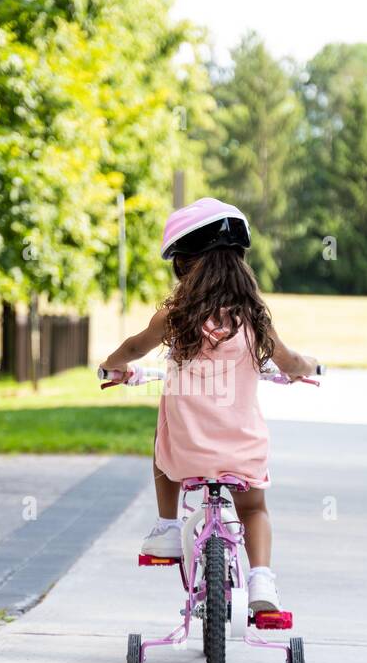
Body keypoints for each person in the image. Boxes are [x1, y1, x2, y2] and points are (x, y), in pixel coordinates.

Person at [98, 198, 318, 612]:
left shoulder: (176, 314)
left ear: (184, 265)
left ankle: (167, 527)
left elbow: (133, 347)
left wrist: (112, 367)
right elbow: (288, 363)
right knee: (254, 508)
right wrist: (304, 366)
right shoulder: (253, 317)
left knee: (163, 449)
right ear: (239, 263)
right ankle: (262, 581)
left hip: (187, 452)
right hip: (242, 449)